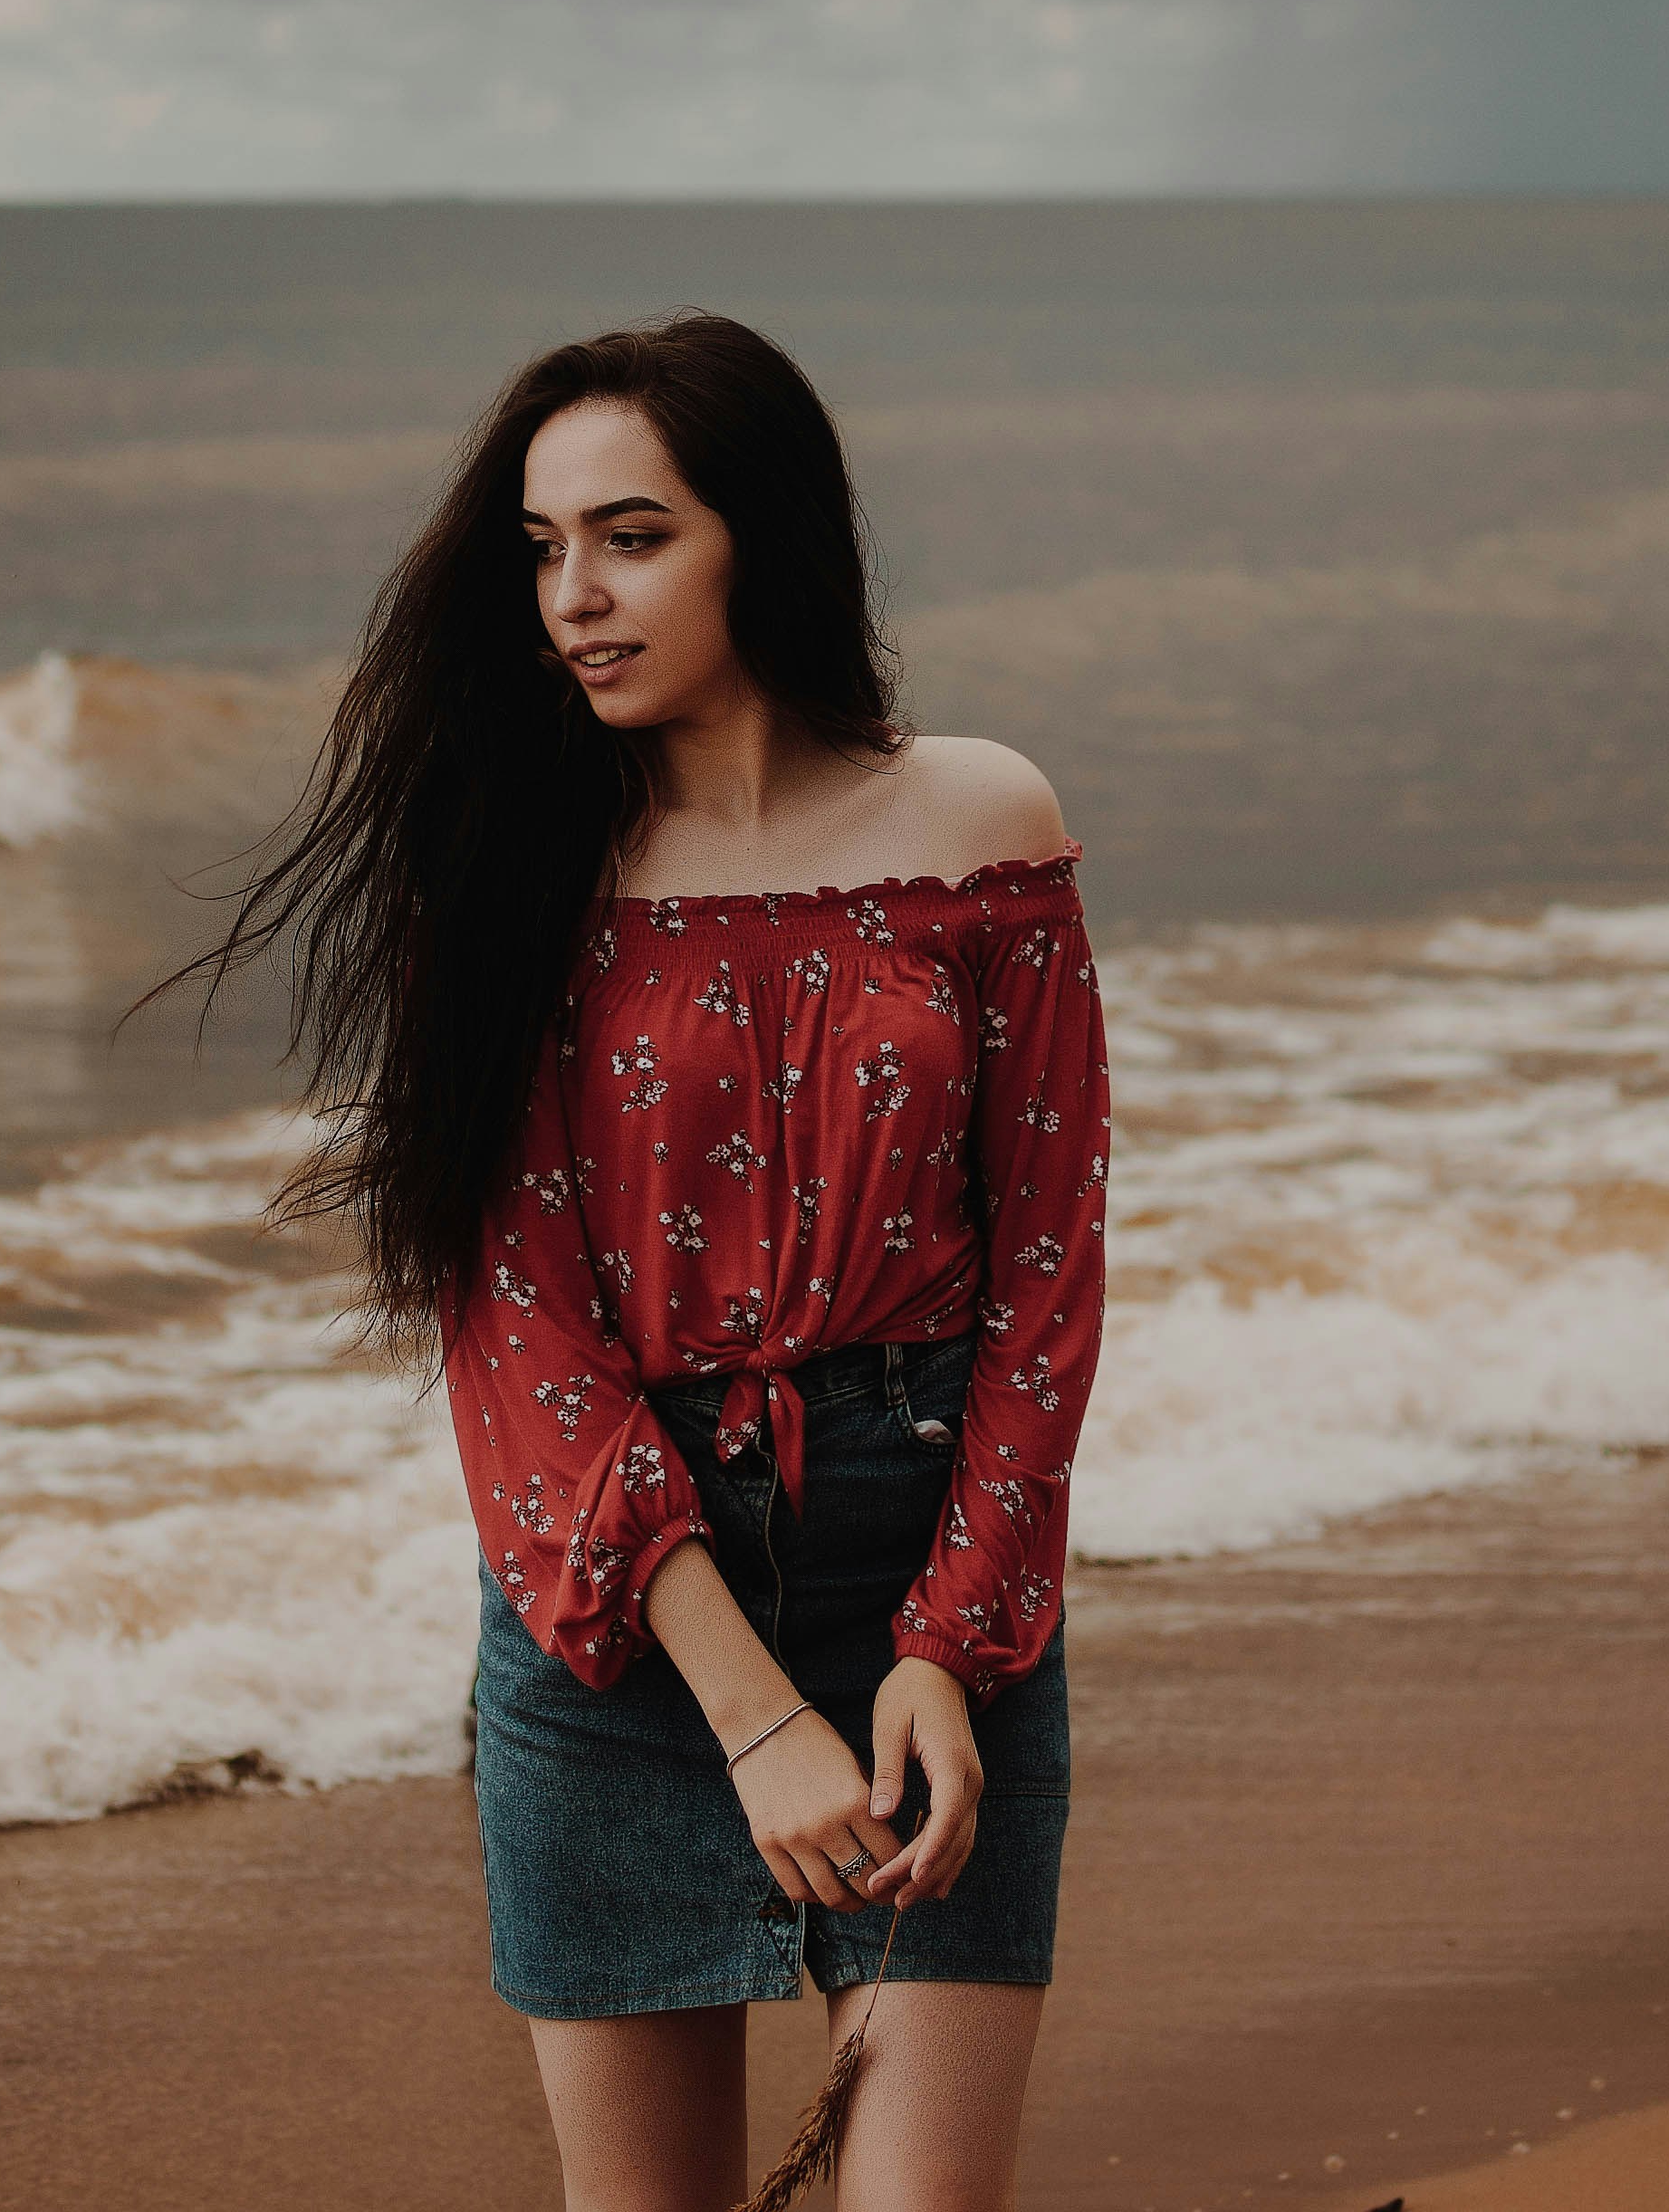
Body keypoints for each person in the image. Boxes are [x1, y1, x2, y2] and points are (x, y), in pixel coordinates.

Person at [168, 311, 1108, 2212]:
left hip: (927, 1581)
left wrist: (954, 1641)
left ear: (760, 532)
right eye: (541, 550)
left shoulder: (980, 824)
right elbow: (515, 1340)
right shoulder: (506, 873)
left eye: (630, 535)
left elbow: (1045, 1266)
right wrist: (752, 1716)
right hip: (619, 1632)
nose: (573, 598)